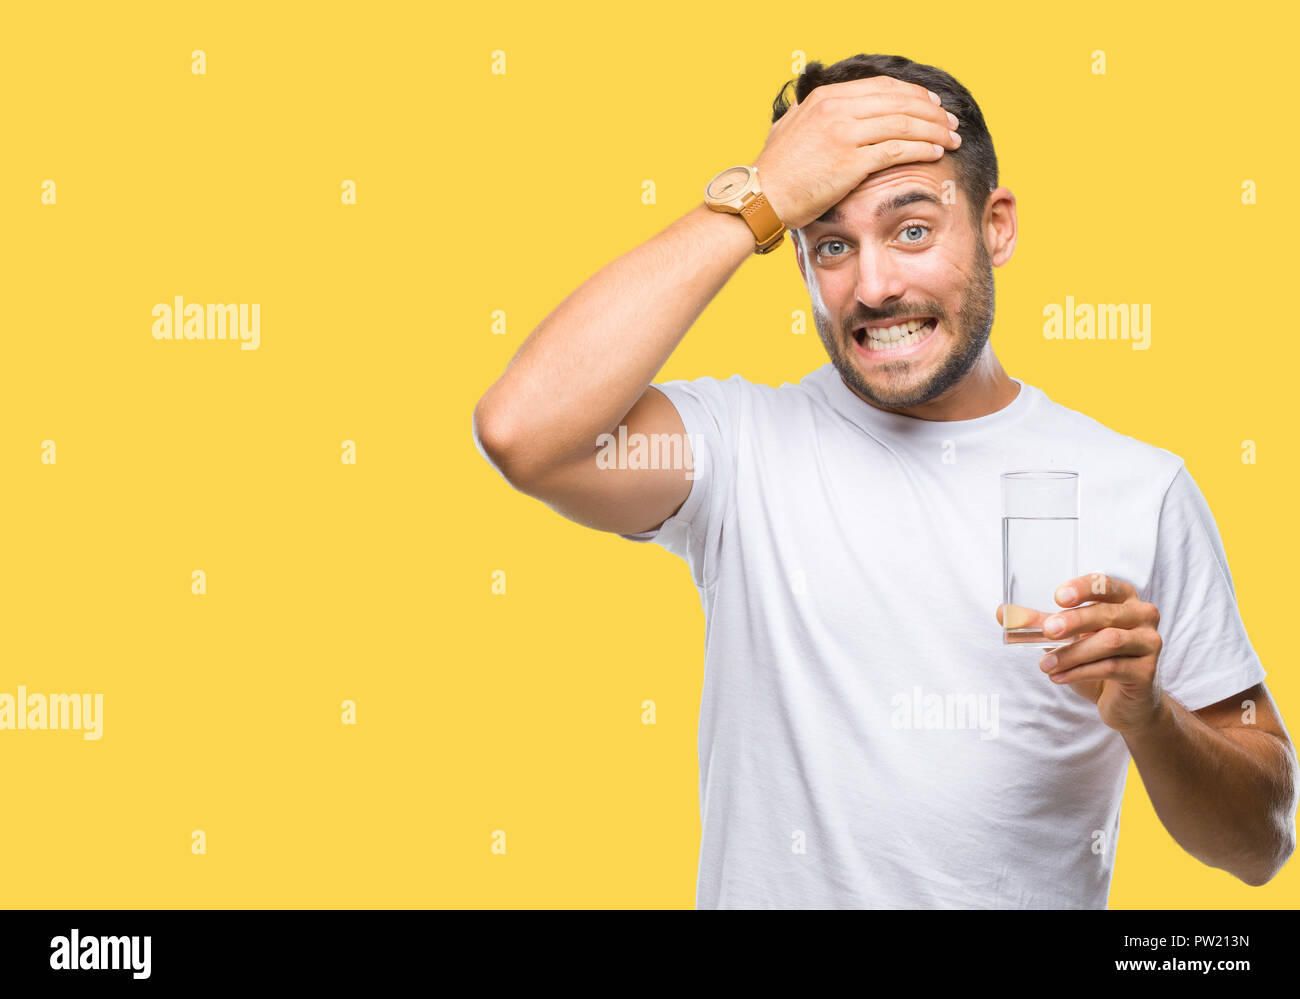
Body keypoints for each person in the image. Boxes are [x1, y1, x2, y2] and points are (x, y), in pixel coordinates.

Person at [471, 52, 1297, 908]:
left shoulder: (1138, 486)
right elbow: (522, 430)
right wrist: (759, 196)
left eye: (912, 229)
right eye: (830, 243)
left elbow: (1262, 842)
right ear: (797, 261)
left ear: (996, 226)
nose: (873, 286)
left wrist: (1149, 716)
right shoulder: (741, 449)